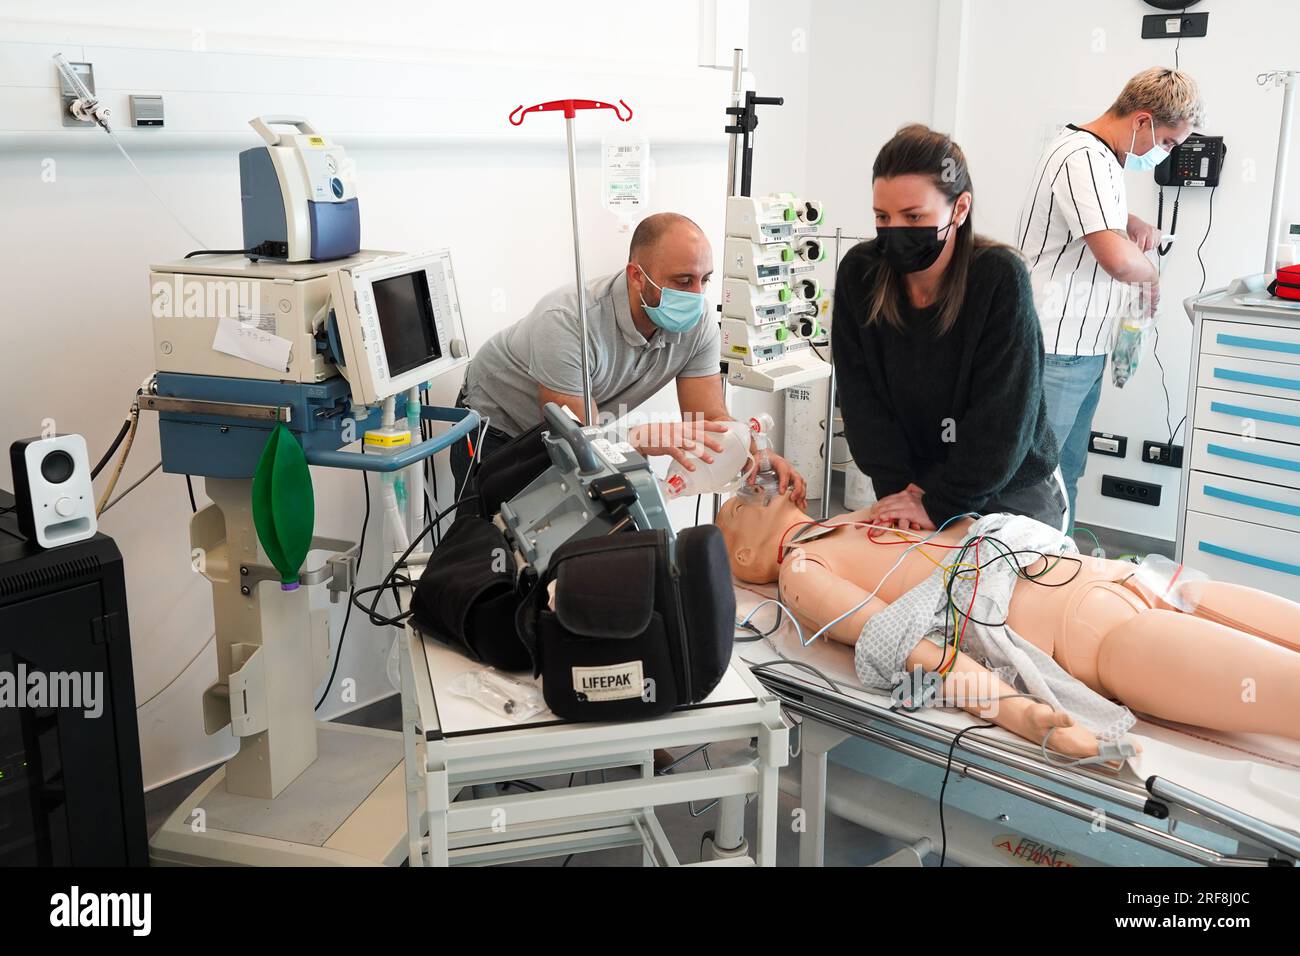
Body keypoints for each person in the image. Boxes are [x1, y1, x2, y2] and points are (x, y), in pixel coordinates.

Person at [716, 492, 1300, 758]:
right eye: (738, 508)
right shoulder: (803, 569)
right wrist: (1017, 712)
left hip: (1109, 574)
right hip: (1086, 634)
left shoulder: (852, 517)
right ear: (743, 560)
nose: (750, 489)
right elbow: (897, 641)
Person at [454, 212, 806, 504]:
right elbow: (575, 436)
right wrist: (641, 437)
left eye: (704, 280)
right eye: (683, 281)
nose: (697, 296)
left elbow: (710, 419)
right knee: (487, 553)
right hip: (496, 428)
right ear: (637, 276)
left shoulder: (697, 326)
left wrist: (751, 453)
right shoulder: (568, 321)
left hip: (577, 433)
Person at [832, 124, 1062, 533]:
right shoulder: (860, 274)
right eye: (882, 217)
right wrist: (897, 492)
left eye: (914, 216)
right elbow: (861, 402)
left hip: (1006, 487)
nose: (894, 230)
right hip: (909, 487)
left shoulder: (998, 278)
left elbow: (1004, 420)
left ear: (959, 209)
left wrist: (944, 504)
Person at [1016, 67, 1203, 526]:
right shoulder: (1081, 155)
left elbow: (1096, 220)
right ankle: (1022, 577)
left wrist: (1130, 221)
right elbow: (1118, 261)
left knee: (1067, 473)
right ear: (1143, 121)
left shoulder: (1100, 159)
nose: (1165, 154)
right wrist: (1151, 278)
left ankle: (1060, 569)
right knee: (1035, 481)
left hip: (1084, 346)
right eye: (1168, 143)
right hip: (1056, 345)